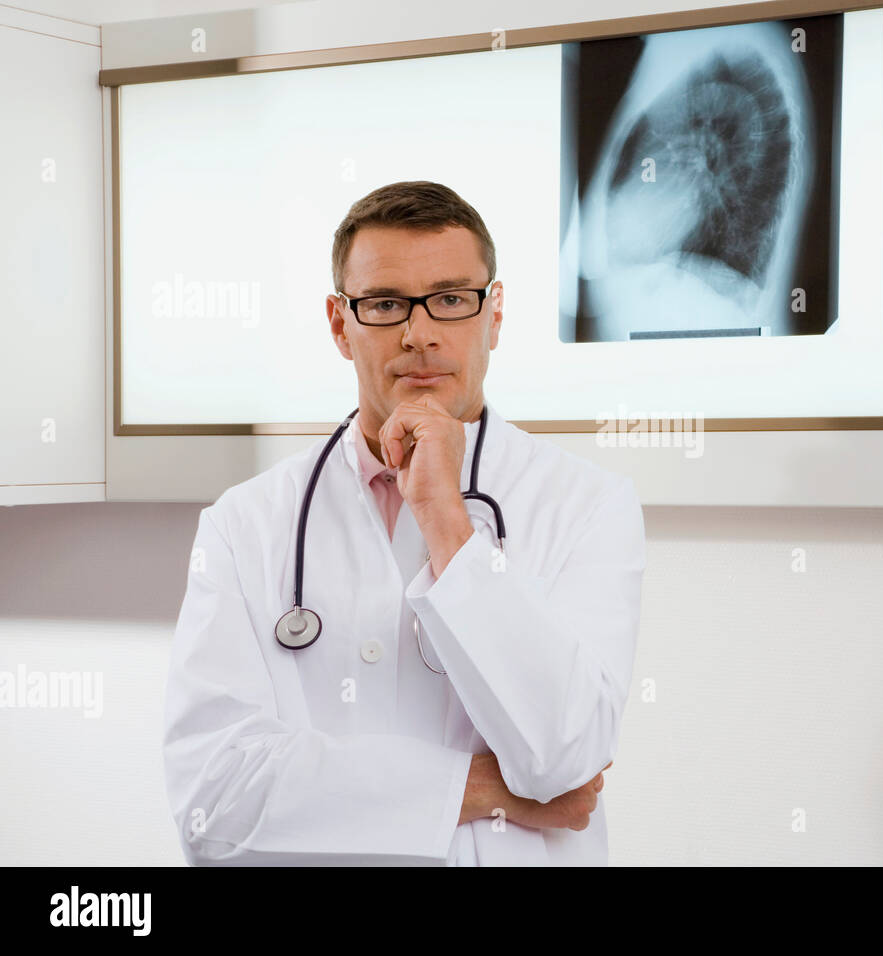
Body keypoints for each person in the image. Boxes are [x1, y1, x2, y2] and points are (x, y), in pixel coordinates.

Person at [162, 181, 647, 865]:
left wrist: (445, 519)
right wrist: (479, 788)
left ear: (495, 314)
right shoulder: (244, 526)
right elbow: (214, 804)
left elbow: (565, 756)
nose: (419, 334)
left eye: (451, 299)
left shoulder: (588, 505)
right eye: (386, 305)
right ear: (340, 324)